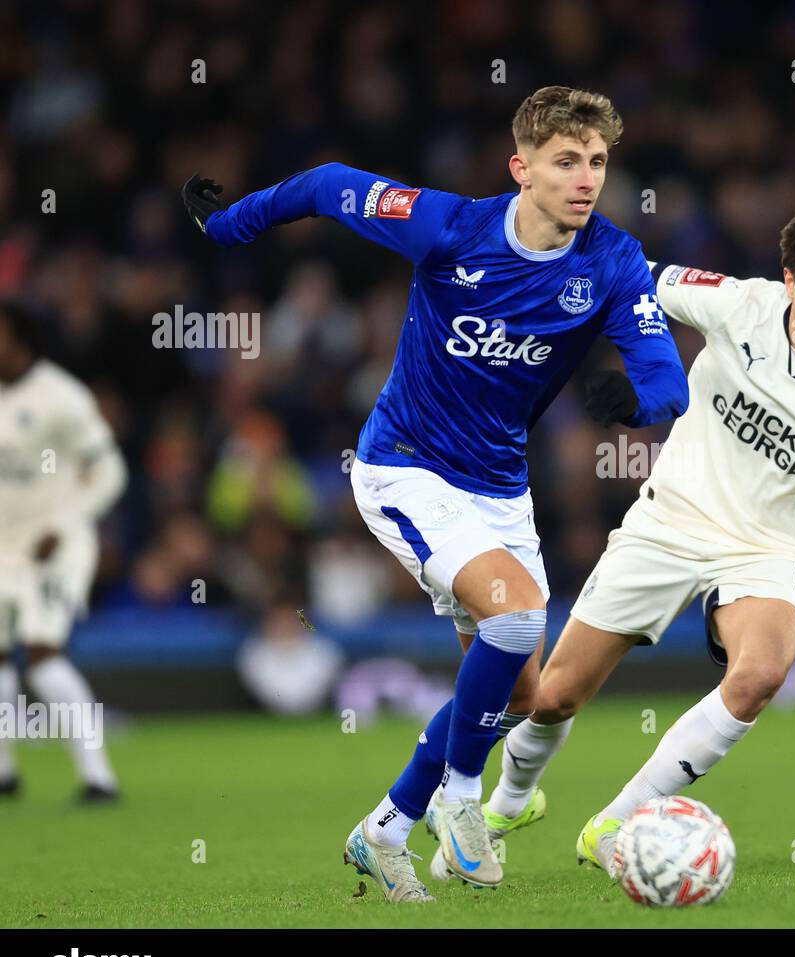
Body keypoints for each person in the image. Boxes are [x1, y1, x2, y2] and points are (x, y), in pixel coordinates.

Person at [183, 86, 688, 899]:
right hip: (404, 467)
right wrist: (230, 221)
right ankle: (460, 804)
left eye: (597, 161)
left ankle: (384, 828)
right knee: (520, 613)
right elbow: (331, 184)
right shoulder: (448, 226)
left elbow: (669, 380)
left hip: (498, 490)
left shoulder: (613, 260)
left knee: (521, 693)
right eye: (566, 161)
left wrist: (639, 402)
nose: (587, 177)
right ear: (521, 169)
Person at [460, 198, 795, 878]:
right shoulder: (738, 305)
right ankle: (509, 803)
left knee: (759, 674)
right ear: (789, 279)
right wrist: (521, 259)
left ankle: (616, 823)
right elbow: (625, 269)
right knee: (551, 698)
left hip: (769, 550)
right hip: (669, 520)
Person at [0, 301, 127, 802]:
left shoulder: (61, 396)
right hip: (5, 547)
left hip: (55, 545)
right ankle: (4, 772)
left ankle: (99, 778)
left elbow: (111, 470)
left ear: (20, 337)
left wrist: (69, 520)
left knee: (42, 652)